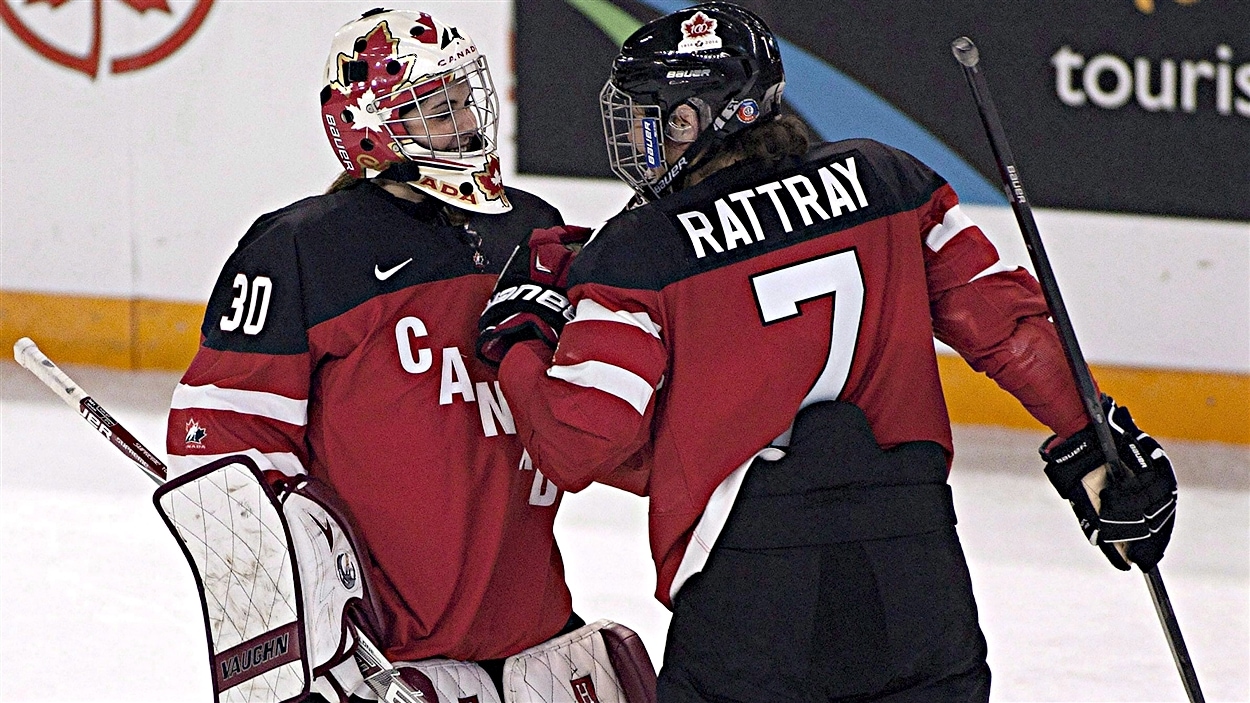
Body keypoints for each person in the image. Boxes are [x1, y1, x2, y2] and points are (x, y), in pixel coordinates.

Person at [476, 3, 1178, 701]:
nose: (640, 137)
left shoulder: (639, 252)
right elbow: (1008, 327)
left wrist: (519, 341)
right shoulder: (889, 179)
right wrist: (1094, 441)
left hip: (750, 595)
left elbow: (580, 442)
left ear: (705, 118)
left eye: (655, 116)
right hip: (916, 568)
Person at [165, 9, 656, 703]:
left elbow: (582, 412)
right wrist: (288, 640)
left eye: (462, 98)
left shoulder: (530, 226)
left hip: (534, 639)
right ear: (368, 125)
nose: (462, 122)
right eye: (433, 108)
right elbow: (220, 449)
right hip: (384, 660)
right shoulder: (303, 249)